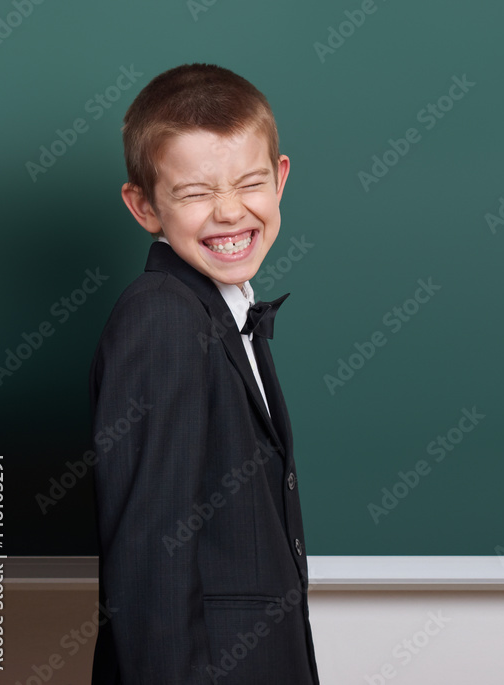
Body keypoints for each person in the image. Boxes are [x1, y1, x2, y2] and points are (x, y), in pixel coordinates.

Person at [88, 63, 320, 684]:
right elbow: (149, 561)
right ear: (144, 206)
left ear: (280, 179)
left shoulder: (220, 308)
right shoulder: (162, 318)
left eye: (250, 183)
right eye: (194, 193)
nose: (229, 212)